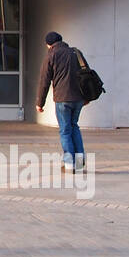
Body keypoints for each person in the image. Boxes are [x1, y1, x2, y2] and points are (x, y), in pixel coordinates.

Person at [35, 31, 86, 171]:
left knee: (65, 130)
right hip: (79, 98)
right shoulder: (76, 53)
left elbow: (44, 81)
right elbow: (86, 74)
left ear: (49, 44)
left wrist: (40, 103)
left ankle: (69, 164)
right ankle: (80, 163)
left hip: (63, 99)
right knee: (74, 126)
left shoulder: (51, 55)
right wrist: (86, 98)